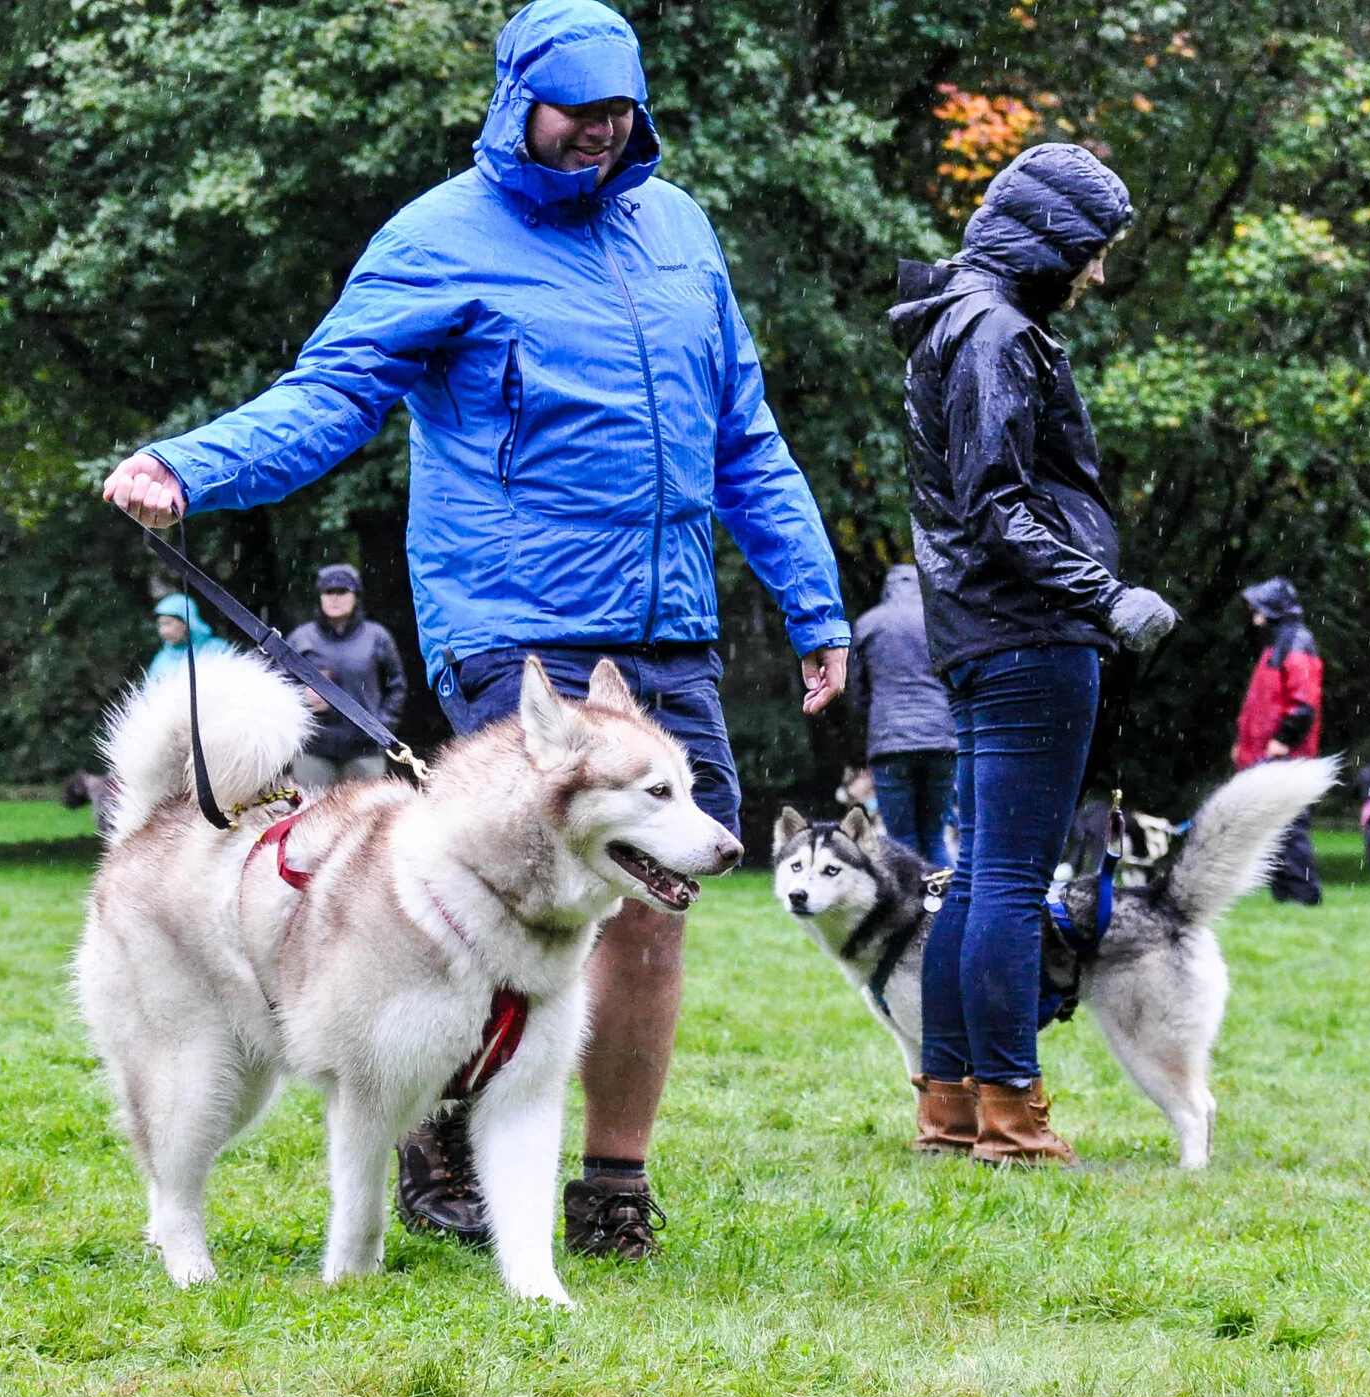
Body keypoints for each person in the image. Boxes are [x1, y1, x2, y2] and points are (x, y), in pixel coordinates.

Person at [100, 0, 850, 1258]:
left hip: (660, 619)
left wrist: (814, 599)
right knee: (480, 898)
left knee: (653, 895)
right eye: (575, 113)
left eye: (618, 115)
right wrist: (192, 464)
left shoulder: (677, 231)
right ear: (517, 104)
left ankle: (611, 1185)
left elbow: (746, 438)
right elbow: (329, 396)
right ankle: (436, 1134)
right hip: (516, 618)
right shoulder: (442, 236)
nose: (597, 137)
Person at [890, 142, 1176, 1166]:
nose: (1096, 274)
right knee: (1008, 879)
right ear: (1048, 240)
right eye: (1090, 251)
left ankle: (953, 1105)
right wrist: (1106, 592)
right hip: (1029, 629)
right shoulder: (996, 331)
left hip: (983, 627)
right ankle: (1013, 1117)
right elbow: (998, 502)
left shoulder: (961, 323)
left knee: (978, 880)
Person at [852, 564, 955, 866]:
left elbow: (858, 693)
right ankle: (948, 908)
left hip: (891, 743)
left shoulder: (869, 623)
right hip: (942, 740)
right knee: (934, 836)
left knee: (901, 839)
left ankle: (910, 909)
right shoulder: (941, 621)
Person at [1232, 577, 1323, 904]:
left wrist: (1284, 740)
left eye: (1259, 607)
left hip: (1286, 753)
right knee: (1275, 827)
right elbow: (1261, 704)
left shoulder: (1297, 642)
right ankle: (1287, 895)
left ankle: (1304, 895)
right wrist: (1242, 745)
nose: (1254, 614)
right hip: (1266, 751)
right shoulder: (1279, 643)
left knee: (1289, 826)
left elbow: (1303, 704)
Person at [285, 563, 409, 790]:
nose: (335, 598)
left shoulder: (377, 637)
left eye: (342, 591)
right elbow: (279, 687)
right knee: (311, 819)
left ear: (356, 596)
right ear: (320, 597)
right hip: (314, 751)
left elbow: (397, 686)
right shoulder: (300, 639)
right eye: (328, 592)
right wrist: (301, 698)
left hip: (365, 751)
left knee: (367, 818)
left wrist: (382, 725)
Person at [143, 594, 235, 683]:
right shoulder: (160, 660)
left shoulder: (217, 648)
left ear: (187, 621)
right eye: (160, 624)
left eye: (168, 623)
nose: (163, 631)